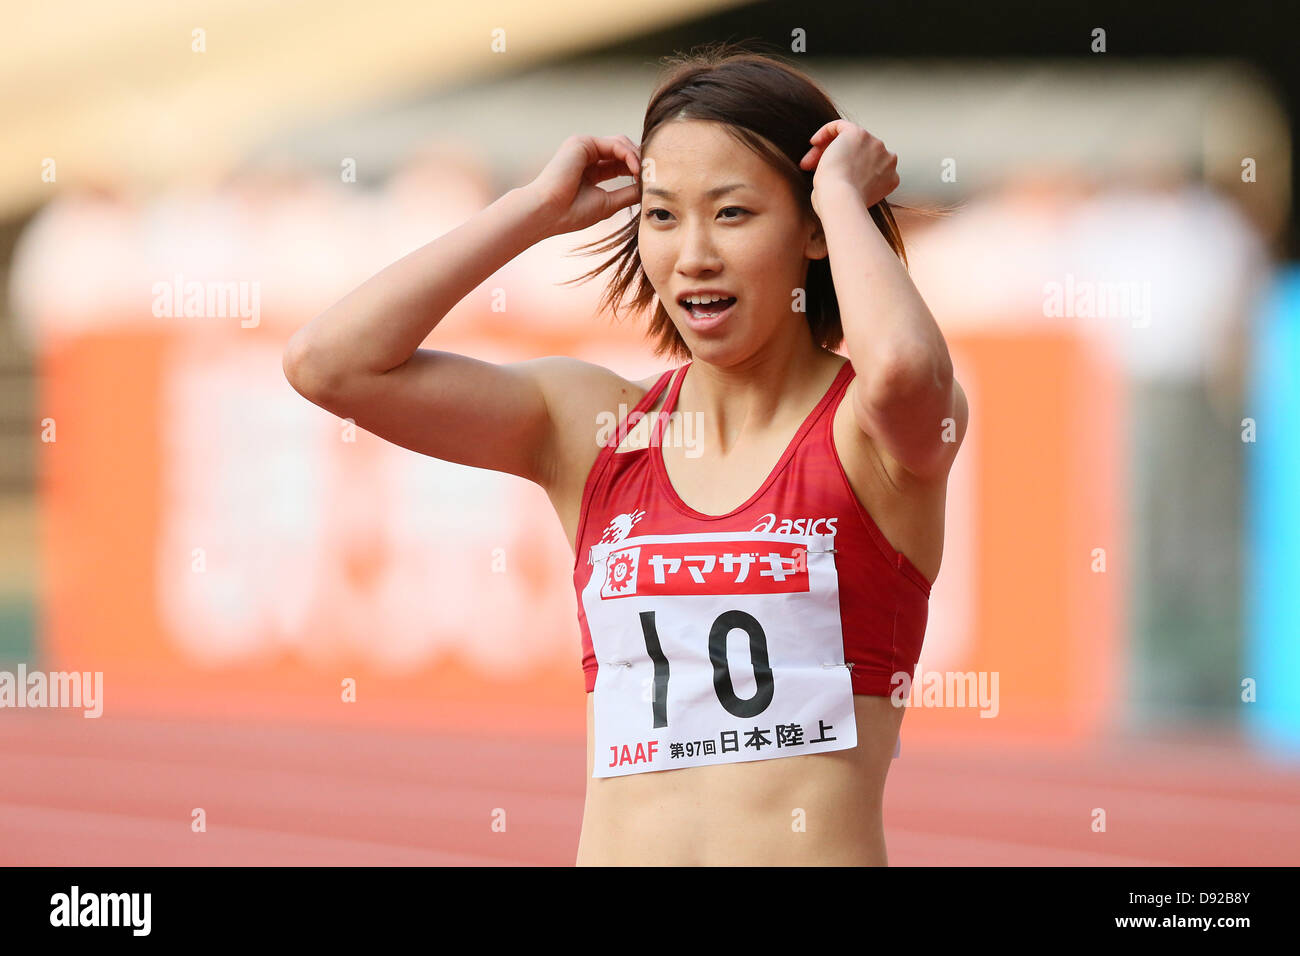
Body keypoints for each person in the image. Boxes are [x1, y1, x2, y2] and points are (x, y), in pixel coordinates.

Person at [283, 43, 968, 866]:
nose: (694, 255)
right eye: (663, 214)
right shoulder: (595, 428)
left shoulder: (872, 435)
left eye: (733, 212)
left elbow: (901, 367)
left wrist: (845, 197)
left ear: (813, 229)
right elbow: (328, 365)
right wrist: (532, 210)